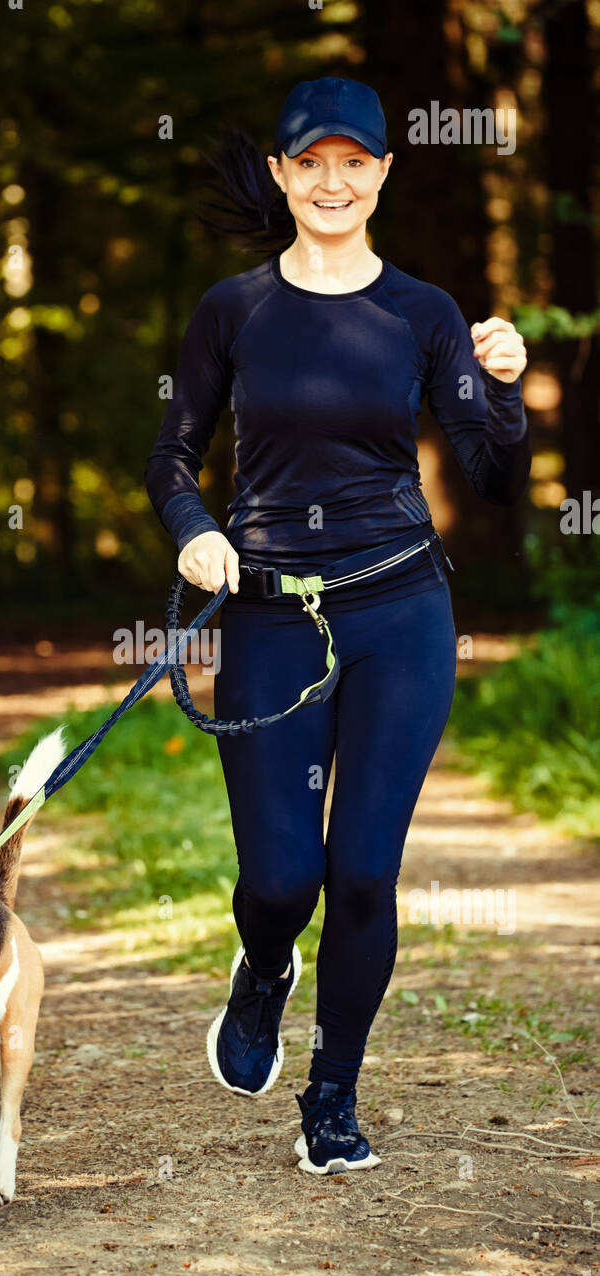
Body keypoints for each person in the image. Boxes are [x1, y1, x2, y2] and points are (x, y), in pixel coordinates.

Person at [144, 77, 530, 1175]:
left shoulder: (424, 313)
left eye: (353, 162)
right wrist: (191, 526)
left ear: (383, 175)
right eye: (309, 162)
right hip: (266, 615)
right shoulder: (235, 310)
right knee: (281, 883)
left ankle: (334, 1095)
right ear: (280, 173)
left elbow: (495, 477)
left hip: (400, 611)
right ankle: (265, 969)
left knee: (362, 871)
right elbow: (172, 451)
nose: (331, 181)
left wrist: (503, 391)